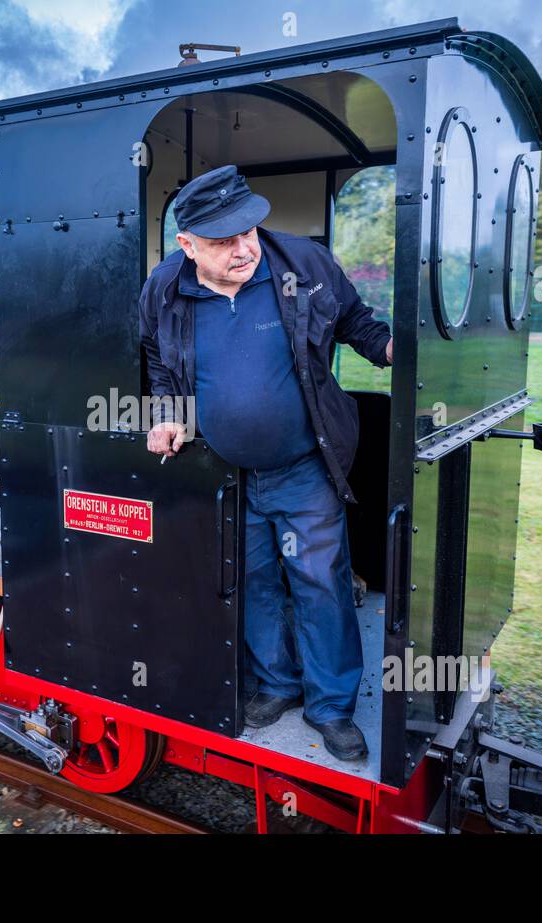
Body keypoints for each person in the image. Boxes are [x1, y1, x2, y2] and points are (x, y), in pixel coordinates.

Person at [137, 165, 392, 760]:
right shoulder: (164, 287)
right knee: (253, 583)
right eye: (223, 240)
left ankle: (331, 708)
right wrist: (168, 414)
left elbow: (355, 321)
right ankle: (277, 684)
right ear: (187, 245)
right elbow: (156, 353)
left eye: (249, 229)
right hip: (225, 474)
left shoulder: (303, 263)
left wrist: (388, 349)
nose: (243, 247)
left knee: (320, 584)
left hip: (304, 468)